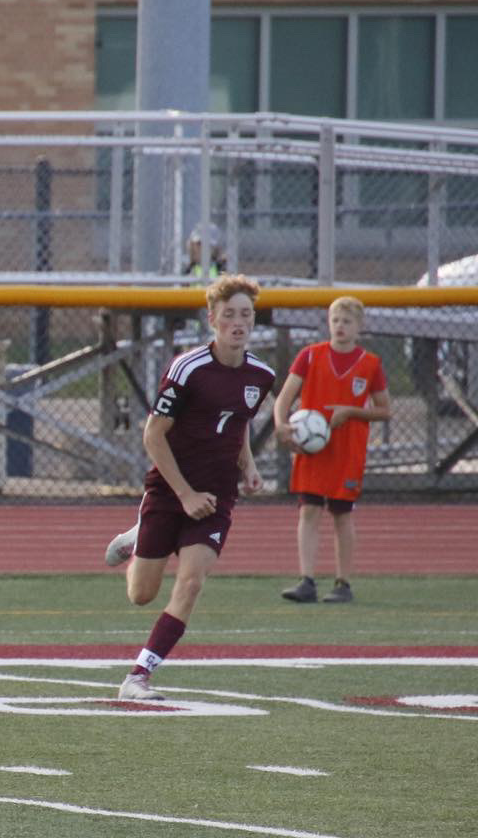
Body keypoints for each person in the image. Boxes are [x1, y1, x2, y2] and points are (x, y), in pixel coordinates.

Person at [102, 274, 276, 701]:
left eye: (246, 315)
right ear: (212, 319)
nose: (239, 323)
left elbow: (238, 423)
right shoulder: (188, 367)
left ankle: (138, 676)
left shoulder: (261, 374)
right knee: (141, 594)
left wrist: (248, 466)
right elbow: (153, 435)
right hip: (170, 490)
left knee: (192, 582)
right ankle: (139, 535)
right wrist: (183, 494)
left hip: (216, 494)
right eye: (230, 315)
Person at [274, 296, 391, 604]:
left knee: (341, 513)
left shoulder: (370, 364)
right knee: (309, 509)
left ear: (359, 327)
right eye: (336, 320)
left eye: (347, 321)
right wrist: (281, 423)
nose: (340, 326)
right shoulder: (310, 356)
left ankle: (343, 583)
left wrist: (350, 411)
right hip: (312, 450)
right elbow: (285, 397)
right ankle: (306, 580)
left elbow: (384, 410)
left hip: (347, 450)